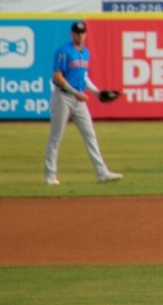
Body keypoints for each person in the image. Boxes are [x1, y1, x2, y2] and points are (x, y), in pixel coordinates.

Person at [44, 20, 123, 185]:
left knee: (90, 135)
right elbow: (57, 76)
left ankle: (102, 172)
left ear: (85, 34)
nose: (80, 36)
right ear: (72, 34)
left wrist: (97, 93)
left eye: (82, 33)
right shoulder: (64, 51)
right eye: (77, 33)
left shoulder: (85, 52)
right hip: (63, 97)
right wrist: (75, 93)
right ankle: (50, 175)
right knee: (56, 136)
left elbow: (83, 76)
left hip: (79, 100)